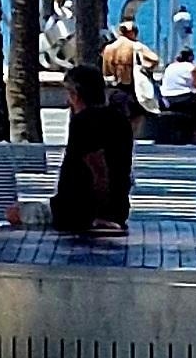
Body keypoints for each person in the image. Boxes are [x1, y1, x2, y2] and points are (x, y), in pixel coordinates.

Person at [49, 61, 135, 238]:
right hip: (114, 208)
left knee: (16, 212)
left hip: (76, 210)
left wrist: (100, 213)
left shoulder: (84, 121)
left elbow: (98, 168)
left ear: (76, 94)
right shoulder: (119, 119)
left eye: (69, 93)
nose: (67, 100)